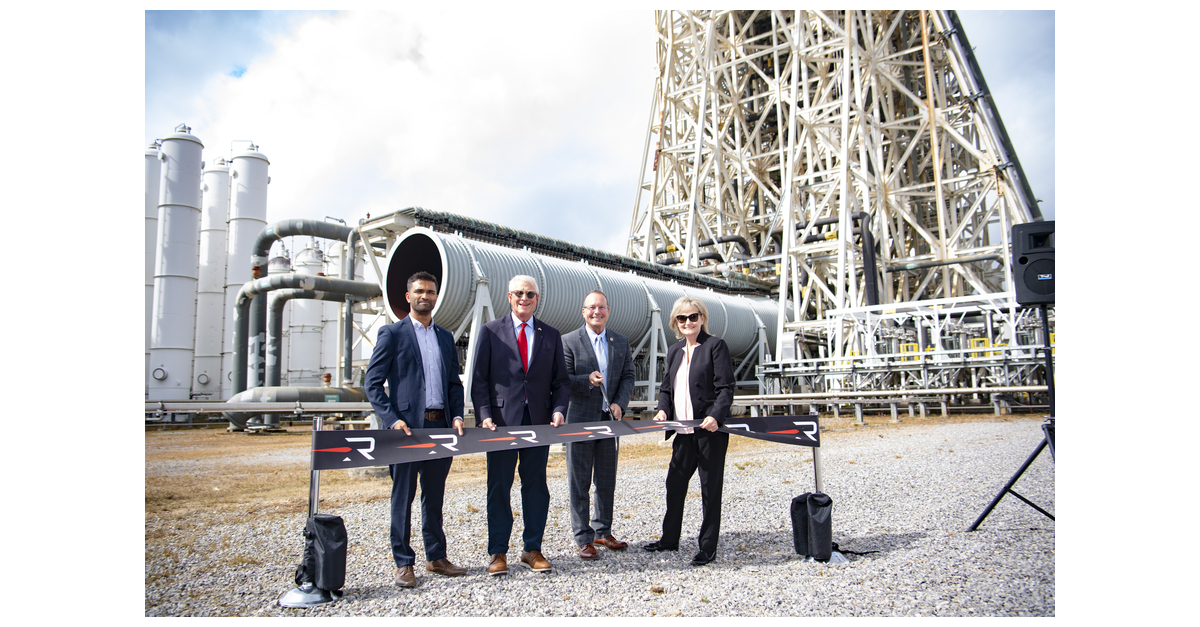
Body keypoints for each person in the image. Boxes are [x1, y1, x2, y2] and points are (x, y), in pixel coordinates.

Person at [365, 271, 468, 588]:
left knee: (434, 497)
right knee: (403, 497)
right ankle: (404, 562)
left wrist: (457, 416)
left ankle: (436, 557)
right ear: (408, 296)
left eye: (431, 291)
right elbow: (372, 384)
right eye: (420, 291)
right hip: (407, 430)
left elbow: (453, 384)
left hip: (440, 427)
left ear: (437, 296)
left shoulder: (445, 337)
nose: (426, 295)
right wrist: (392, 419)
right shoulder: (392, 334)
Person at [470, 275, 570, 576]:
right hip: (500, 423)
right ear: (509, 296)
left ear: (537, 299)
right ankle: (498, 552)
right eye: (518, 293)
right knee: (499, 486)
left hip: (538, 422)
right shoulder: (490, 332)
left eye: (530, 294)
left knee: (536, 486)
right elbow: (479, 380)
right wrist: (484, 413)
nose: (524, 298)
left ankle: (532, 549)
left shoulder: (551, 335)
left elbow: (561, 382)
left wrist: (559, 410)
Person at [645, 295, 734, 566]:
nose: (688, 322)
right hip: (682, 434)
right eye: (682, 318)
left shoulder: (715, 346)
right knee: (674, 485)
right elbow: (666, 389)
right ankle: (669, 540)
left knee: (710, 490)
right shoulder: (674, 352)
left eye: (693, 317)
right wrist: (663, 410)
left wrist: (715, 416)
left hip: (709, 433)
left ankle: (707, 548)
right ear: (675, 322)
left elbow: (725, 388)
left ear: (702, 318)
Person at [561, 290, 635, 560]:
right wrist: (585, 380)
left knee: (606, 479)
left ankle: (602, 530)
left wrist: (620, 404)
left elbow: (628, 375)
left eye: (601, 307)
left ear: (608, 310)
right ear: (583, 311)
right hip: (580, 420)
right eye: (591, 307)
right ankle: (583, 537)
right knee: (579, 481)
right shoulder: (568, 341)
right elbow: (563, 379)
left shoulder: (621, 341)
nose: (597, 312)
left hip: (609, 420)